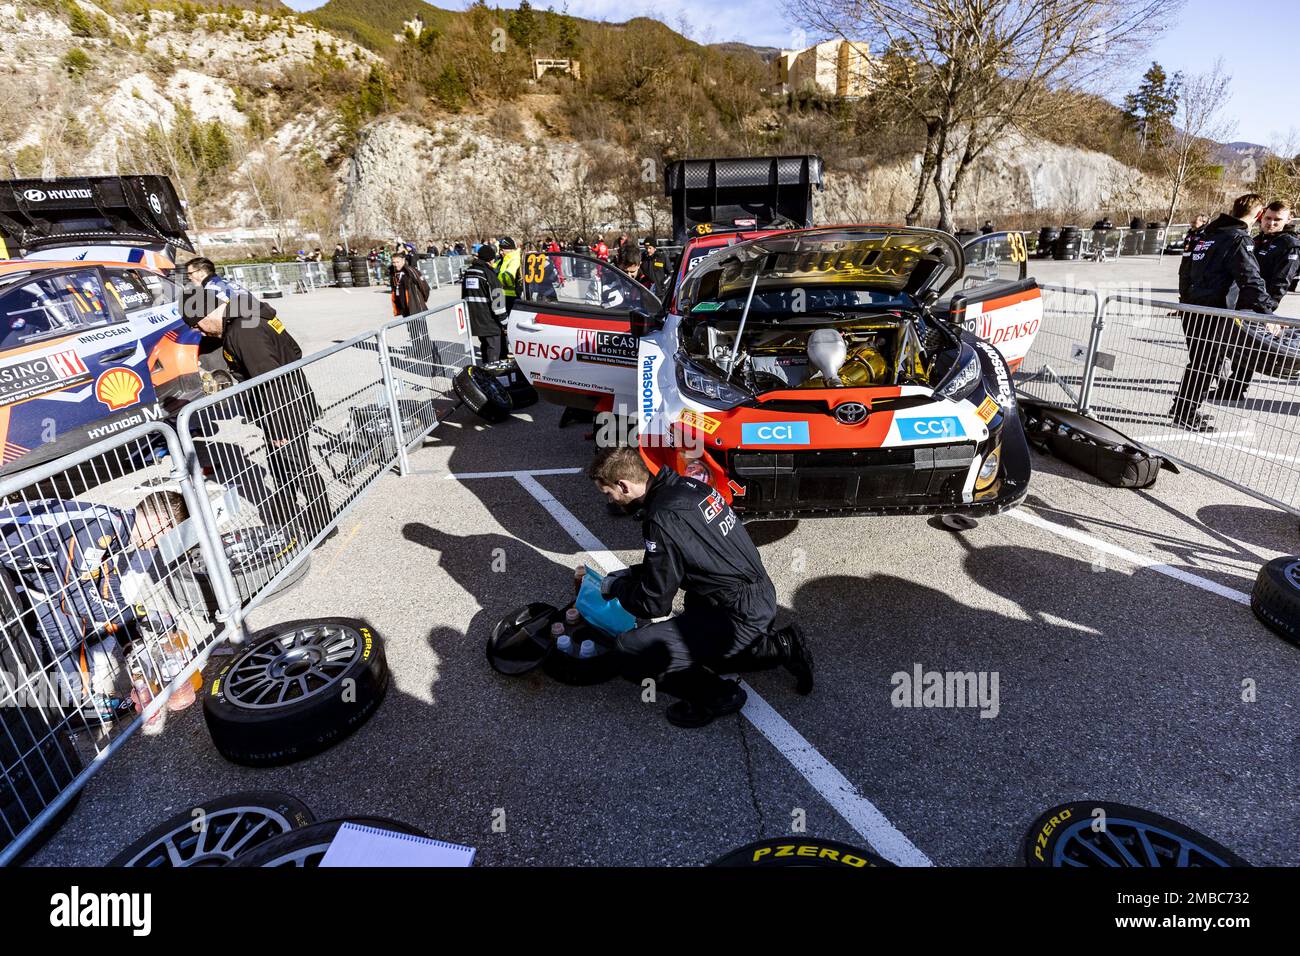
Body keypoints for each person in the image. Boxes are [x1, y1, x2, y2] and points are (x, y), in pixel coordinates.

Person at [588, 446, 813, 728]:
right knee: (703, 650)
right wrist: (632, 574)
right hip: (754, 596)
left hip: (738, 614)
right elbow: (685, 556)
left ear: (623, 485)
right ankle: (781, 646)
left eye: (610, 494)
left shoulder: (662, 517)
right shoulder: (686, 486)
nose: (612, 502)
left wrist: (619, 587)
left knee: (630, 649)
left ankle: (719, 697)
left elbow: (654, 603)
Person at [0, 492, 187, 720]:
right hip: (12, 553)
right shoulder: (103, 528)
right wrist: (141, 615)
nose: (156, 547)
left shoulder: (114, 526)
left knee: (62, 626)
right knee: (70, 630)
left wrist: (132, 645)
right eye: (165, 538)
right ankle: (81, 707)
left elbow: (108, 590)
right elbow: (76, 598)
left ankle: (74, 705)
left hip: (30, 562)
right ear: (162, 522)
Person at [185, 258, 332, 538]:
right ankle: (286, 514)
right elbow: (292, 351)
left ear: (207, 314)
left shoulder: (244, 331)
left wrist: (279, 428)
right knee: (280, 465)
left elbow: (271, 379)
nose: (203, 333)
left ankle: (321, 524)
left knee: (298, 466)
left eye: (200, 327)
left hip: (283, 408)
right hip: (281, 404)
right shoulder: (248, 313)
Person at [1171, 194, 1275, 431]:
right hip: (1215, 311)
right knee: (1207, 362)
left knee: (1201, 361)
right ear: (1258, 215)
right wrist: (1268, 315)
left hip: (1192, 307)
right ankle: (1186, 413)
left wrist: (1185, 300)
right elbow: (1251, 279)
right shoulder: (1238, 238)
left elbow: (1184, 271)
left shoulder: (1206, 235)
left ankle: (1182, 408)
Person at [1219, 201, 1300, 401]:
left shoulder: (1290, 245)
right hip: (1240, 300)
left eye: (1277, 220)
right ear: (1261, 217)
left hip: (1259, 305)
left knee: (1247, 348)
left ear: (1289, 220)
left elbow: (1281, 283)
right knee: (1234, 345)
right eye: (1268, 218)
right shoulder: (1256, 240)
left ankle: (1236, 389)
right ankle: (1230, 386)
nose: (1271, 223)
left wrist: (1266, 312)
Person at [462, 243, 508, 363]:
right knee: (493, 351)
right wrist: (505, 322)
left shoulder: (468, 272)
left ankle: (484, 372)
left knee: (484, 347)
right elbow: (498, 303)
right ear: (490, 259)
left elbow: (464, 296)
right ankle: (491, 375)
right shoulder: (489, 275)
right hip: (490, 322)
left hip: (475, 320)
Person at [1177, 213, 1209, 301]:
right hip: (1185, 265)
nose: (1193, 223)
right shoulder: (1190, 233)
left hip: (1195, 266)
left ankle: (1190, 311)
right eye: (1193, 221)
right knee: (1183, 288)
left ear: (1203, 222)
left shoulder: (1205, 235)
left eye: (1195, 221)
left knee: (1193, 290)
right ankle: (1181, 308)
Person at [495, 236, 522, 315]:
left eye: (502, 250)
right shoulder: (503, 259)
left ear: (511, 249)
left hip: (512, 297)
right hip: (501, 295)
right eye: (500, 250)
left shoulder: (515, 259)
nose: (500, 252)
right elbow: (492, 269)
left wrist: (494, 279)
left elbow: (508, 277)